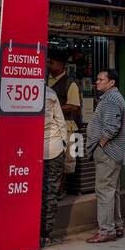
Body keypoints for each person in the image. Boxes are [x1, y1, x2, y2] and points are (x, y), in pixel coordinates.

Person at [85, 68, 125, 243]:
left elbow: (112, 126)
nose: (97, 82)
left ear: (111, 82)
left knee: (104, 191)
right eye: (97, 79)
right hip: (112, 152)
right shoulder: (113, 97)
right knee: (112, 191)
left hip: (108, 152)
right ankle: (116, 226)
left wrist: (101, 144)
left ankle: (106, 230)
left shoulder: (110, 99)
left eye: (101, 79)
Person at [47, 52, 82, 185]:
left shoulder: (70, 83)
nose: (49, 65)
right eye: (49, 62)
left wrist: (54, 108)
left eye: (52, 63)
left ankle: (60, 188)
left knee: (66, 159)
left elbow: (74, 106)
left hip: (67, 127)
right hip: (49, 127)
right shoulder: (44, 80)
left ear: (61, 65)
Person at [40, 80, 68, 247]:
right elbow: (61, 121)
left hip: (31, 153)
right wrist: (63, 144)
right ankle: (46, 233)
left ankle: (37, 232)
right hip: (54, 149)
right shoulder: (50, 93)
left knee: (38, 192)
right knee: (50, 192)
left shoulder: (17, 90)